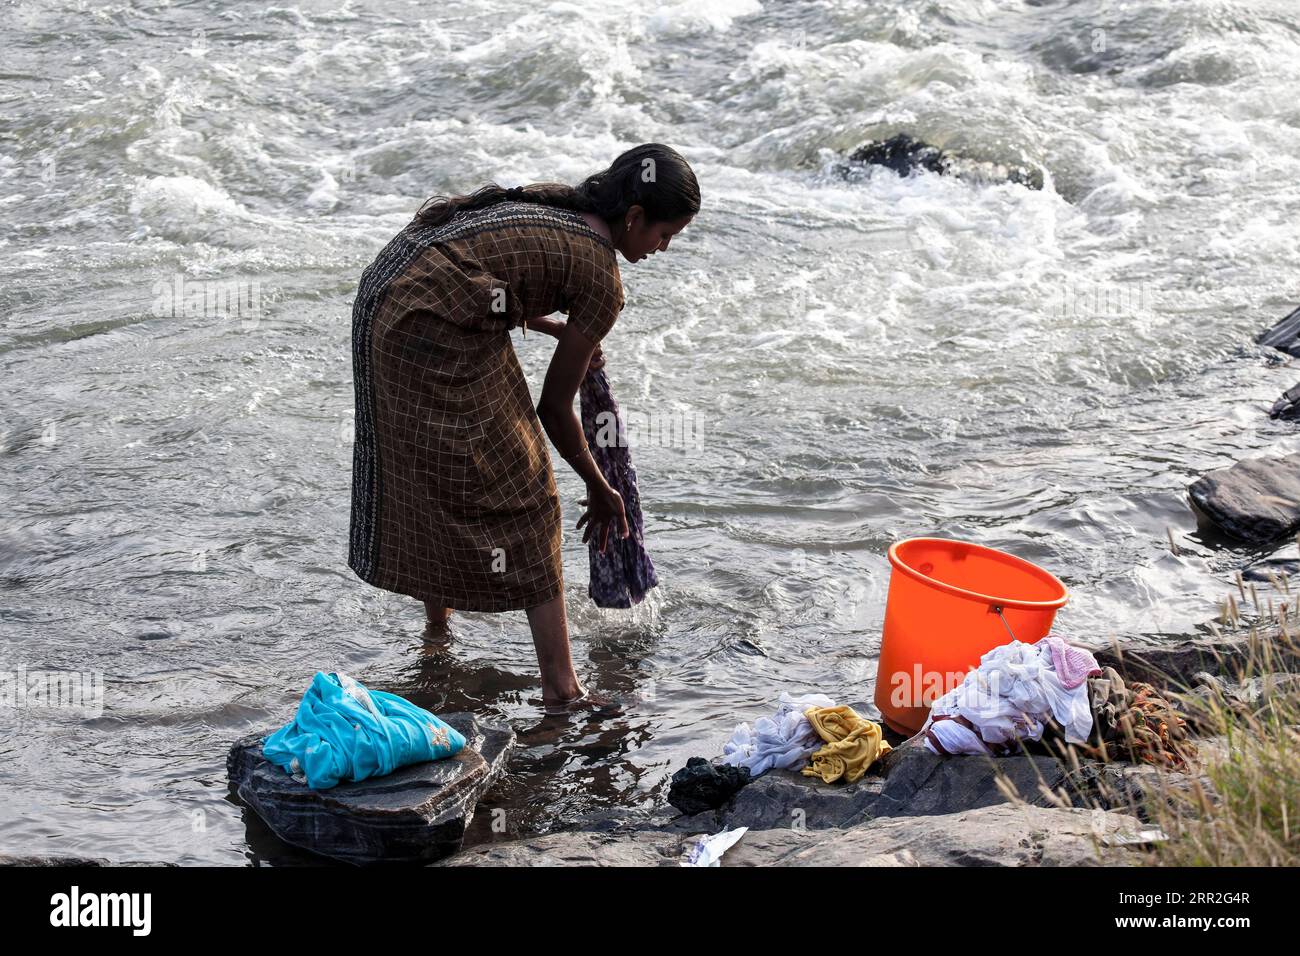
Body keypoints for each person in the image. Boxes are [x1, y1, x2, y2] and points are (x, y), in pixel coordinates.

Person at [348, 143, 699, 712]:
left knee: (434, 466)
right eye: (665, 234)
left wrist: (554, 330)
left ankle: (438, 635)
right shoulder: (601, 277)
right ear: (633, 218)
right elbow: (554, 409)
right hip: (425, 323)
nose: (664, 248)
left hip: (386, 295)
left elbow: (484, 272)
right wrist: (599, 487)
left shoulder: (565, 207)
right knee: (529, 498)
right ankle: (563, 689)